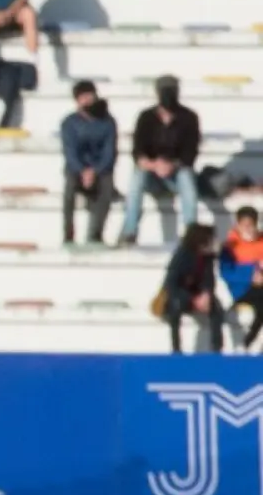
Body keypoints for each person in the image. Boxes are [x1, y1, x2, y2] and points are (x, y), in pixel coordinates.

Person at [120, 75, 201, 247]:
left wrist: (172, 165)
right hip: (151, 172)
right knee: (136, 180)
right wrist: (154, 165)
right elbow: (137, 151)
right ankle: (129, 231)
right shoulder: (146, 117)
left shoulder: (188, 117)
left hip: (177, 171)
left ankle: (192, 233)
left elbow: (190, 153)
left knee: (187, 181)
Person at [58, 80, 116, 245]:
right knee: (69, 190)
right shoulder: (69, 123)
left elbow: (109, 152)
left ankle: (96, 234)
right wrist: (82, 170)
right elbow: (70, 152)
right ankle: (68, 233)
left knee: (107, 187)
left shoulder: (108, 122)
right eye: (84, 97)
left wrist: (95, 171)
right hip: (77, 169)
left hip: (100, 169)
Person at [162, 224, 223, 355]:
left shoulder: (207, 258)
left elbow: (209, 279)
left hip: (198, 293)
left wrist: (206, 294)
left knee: (217, 309)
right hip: (181, 294)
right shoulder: (182, 256)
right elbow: (171, 284)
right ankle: (176, 348)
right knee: (175, 307)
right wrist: (192, 299)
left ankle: (216, 348)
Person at [220, 208, 263, 351]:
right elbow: (226, 272)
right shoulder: (230, 246)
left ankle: (248, 342)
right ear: (237, 225)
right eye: (244, 225)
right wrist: (250, 275)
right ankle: (247, 342)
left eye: (251, 225)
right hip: (241, 289)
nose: (248, 229)